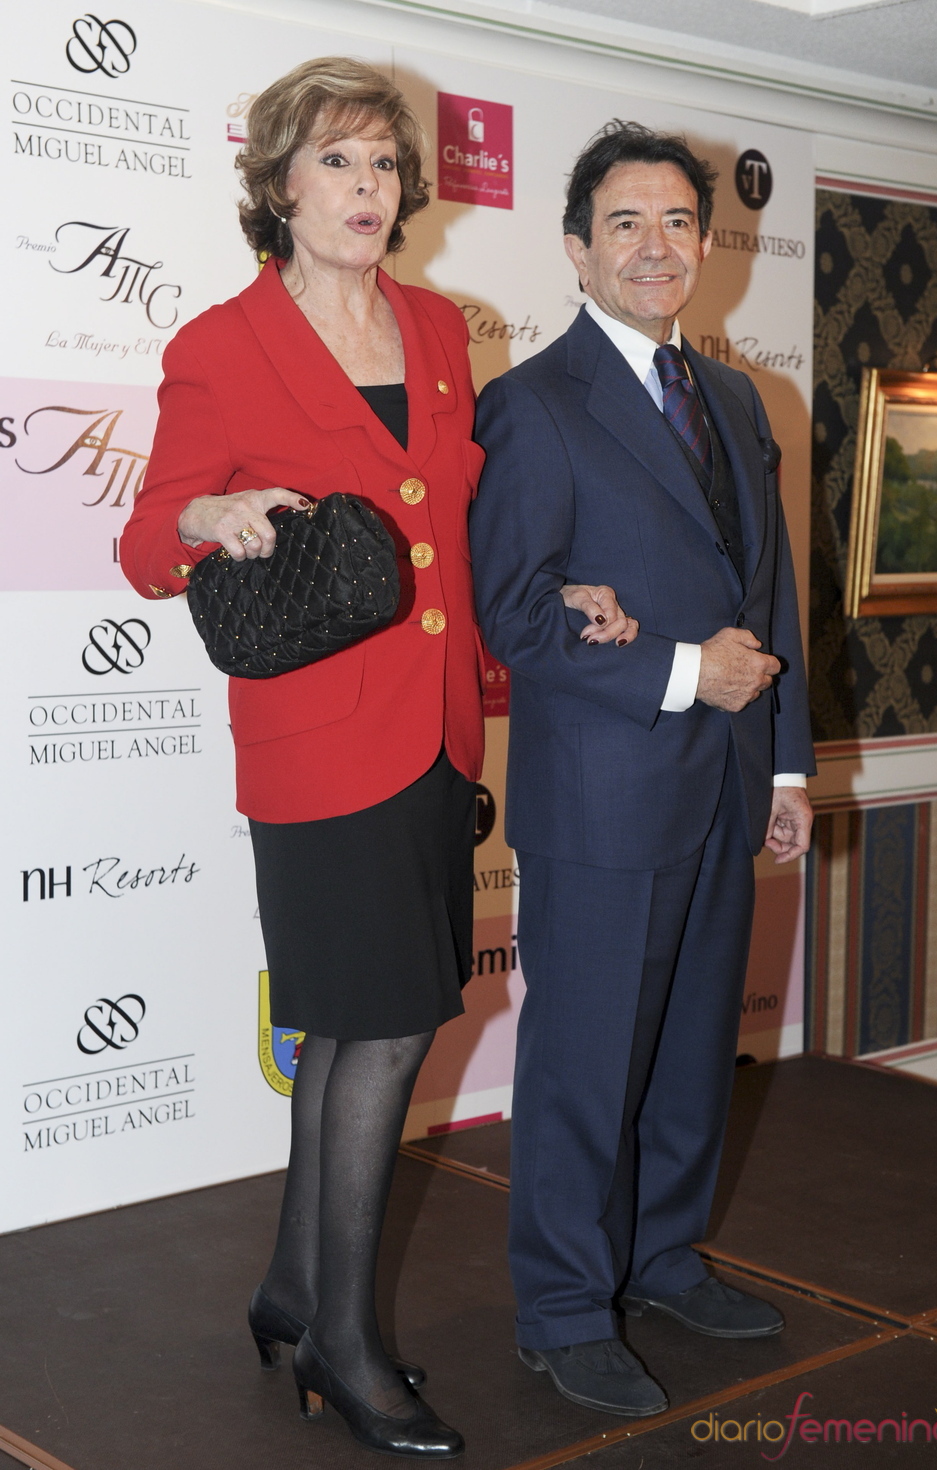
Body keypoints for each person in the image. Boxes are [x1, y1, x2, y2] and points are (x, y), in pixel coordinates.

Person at [120, 61, 632, 1458]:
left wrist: (550, 608)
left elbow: (454, 524)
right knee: (388, 1018)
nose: (366, 189)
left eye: (385, 167)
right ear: (278, 184)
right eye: (337, 163)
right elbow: (143, 538)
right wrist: (210, 508)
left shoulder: (440, 327)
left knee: (359, 1023)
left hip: (436, 727)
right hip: (314, 742)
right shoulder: (224, 344)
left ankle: (293, 1288)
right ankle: (345, 1338)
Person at [469, 121, 816, 1418]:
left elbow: (768, 593)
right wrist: (681, 670)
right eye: (627, 222)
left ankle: (661, 1255)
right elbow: (512, 607)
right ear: (576, 247)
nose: (659, 245)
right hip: (604, 799)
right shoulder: (534, 403)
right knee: (585, 1059)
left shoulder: (734, 398)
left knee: (685, 1055)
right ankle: (564, 1305)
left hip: (726, 786)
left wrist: (781, 767)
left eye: (679, 221)